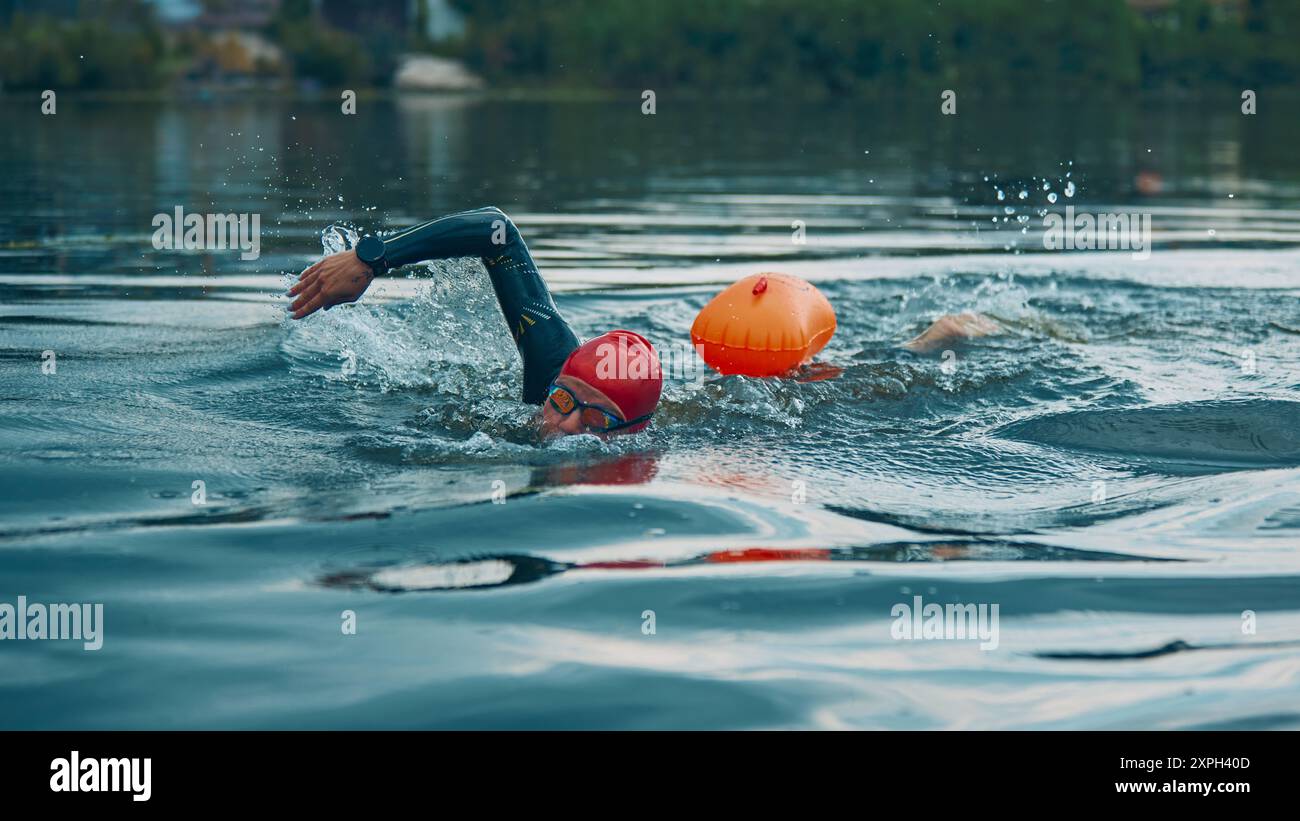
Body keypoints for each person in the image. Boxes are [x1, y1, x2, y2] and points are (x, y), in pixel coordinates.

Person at [288, 206, 996, 437]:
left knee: (814, 380)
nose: (561, 424)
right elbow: (497, 231)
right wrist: (372, 258)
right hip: (649, 375)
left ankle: (936, 338)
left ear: (627, 434)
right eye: (565, 402)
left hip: (706, 396)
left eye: (589, 420)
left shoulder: (662, 439)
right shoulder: (551, 366)